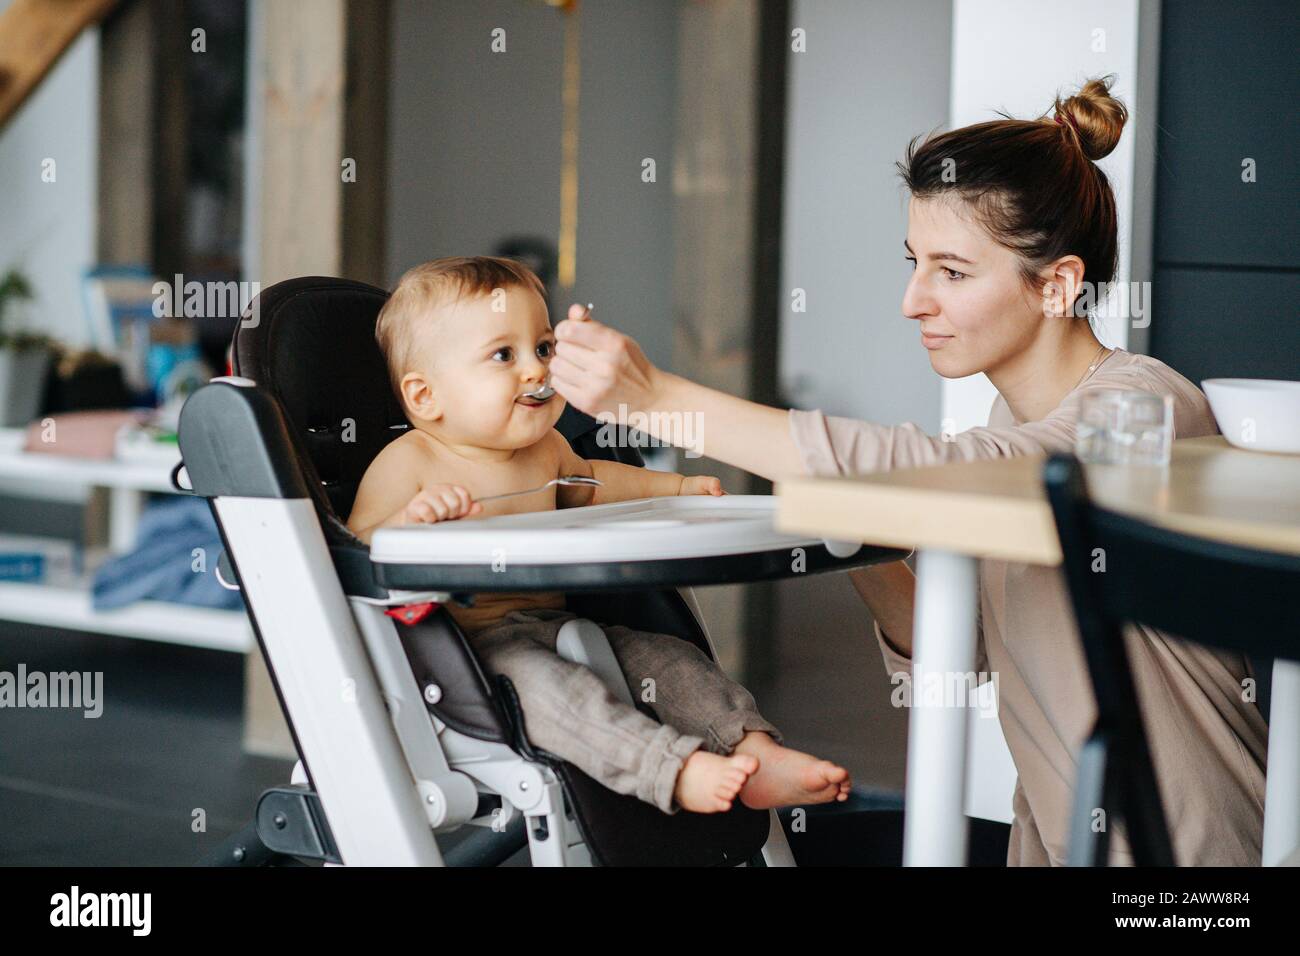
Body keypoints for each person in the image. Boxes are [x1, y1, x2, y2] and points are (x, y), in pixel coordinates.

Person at [549, 77, 1266, 865]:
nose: (912, 300)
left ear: (1057, 284)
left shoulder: (1145, 408)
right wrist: (853, 530)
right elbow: (959, 662)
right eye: (914, 262)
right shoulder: (1012, 421)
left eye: (951, 272)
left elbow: (974, 471)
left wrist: (655, 399)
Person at [347, 256, 852, 816]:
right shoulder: (410, 462)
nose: (536, 371)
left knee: (669, 660)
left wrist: (677, 487)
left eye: (542, 348)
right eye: (503, 355)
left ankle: (753, 751)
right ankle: (671, 769)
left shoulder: (546, 450)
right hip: (468, 652)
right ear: (425, 397)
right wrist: (411, 522)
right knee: (560, 697)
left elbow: (595, 484)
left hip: (556, 625)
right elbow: (356, 545)